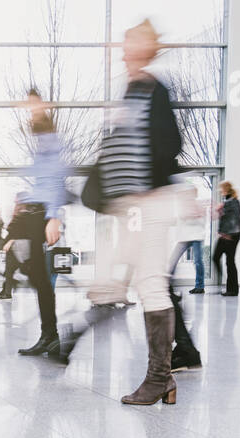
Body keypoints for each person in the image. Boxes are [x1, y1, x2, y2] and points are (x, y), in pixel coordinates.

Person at [62, 20, 184, 405]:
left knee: (149, 284)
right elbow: (114, 149)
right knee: (108, 284)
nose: (124, 50)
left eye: (131, 43)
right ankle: (70, 340)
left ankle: (159, 377)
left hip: (148, 203)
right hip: (127, 207)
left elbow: (171, 143)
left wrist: (149, 186)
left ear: (146, 49)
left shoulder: (153, 90)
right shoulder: (131, 91)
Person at [11, 87, 69, 359]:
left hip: (43, 214)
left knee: (41, 280)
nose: (30, 111)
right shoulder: (39, 137)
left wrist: (54, 215)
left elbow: (57, 176)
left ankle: (51, 335)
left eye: (34, 106)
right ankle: (50, 335)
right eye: (28, 107)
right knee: (38, 278)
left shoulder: (49, 137)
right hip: (35, 211)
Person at [170, 184, 206, 294]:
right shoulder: (182, 206)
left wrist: (190, 218)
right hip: (184, 237)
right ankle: (167, 286)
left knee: (198, 262)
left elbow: (202, 222)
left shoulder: (199, 205)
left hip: (197, 236)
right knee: (173, 260)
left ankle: (199, 286)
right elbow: (179, 220)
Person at [212, 181, 240, 297]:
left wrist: (227, 234)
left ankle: (232, 290)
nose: (220, 191)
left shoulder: (234, 202)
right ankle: (228, 286)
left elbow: (234, 220)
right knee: (217, 258)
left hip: (231, 235)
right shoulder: (228, 201)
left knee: (230, 261)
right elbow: (225, 217)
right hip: (226, 235)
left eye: (221, 189)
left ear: (226, 190)